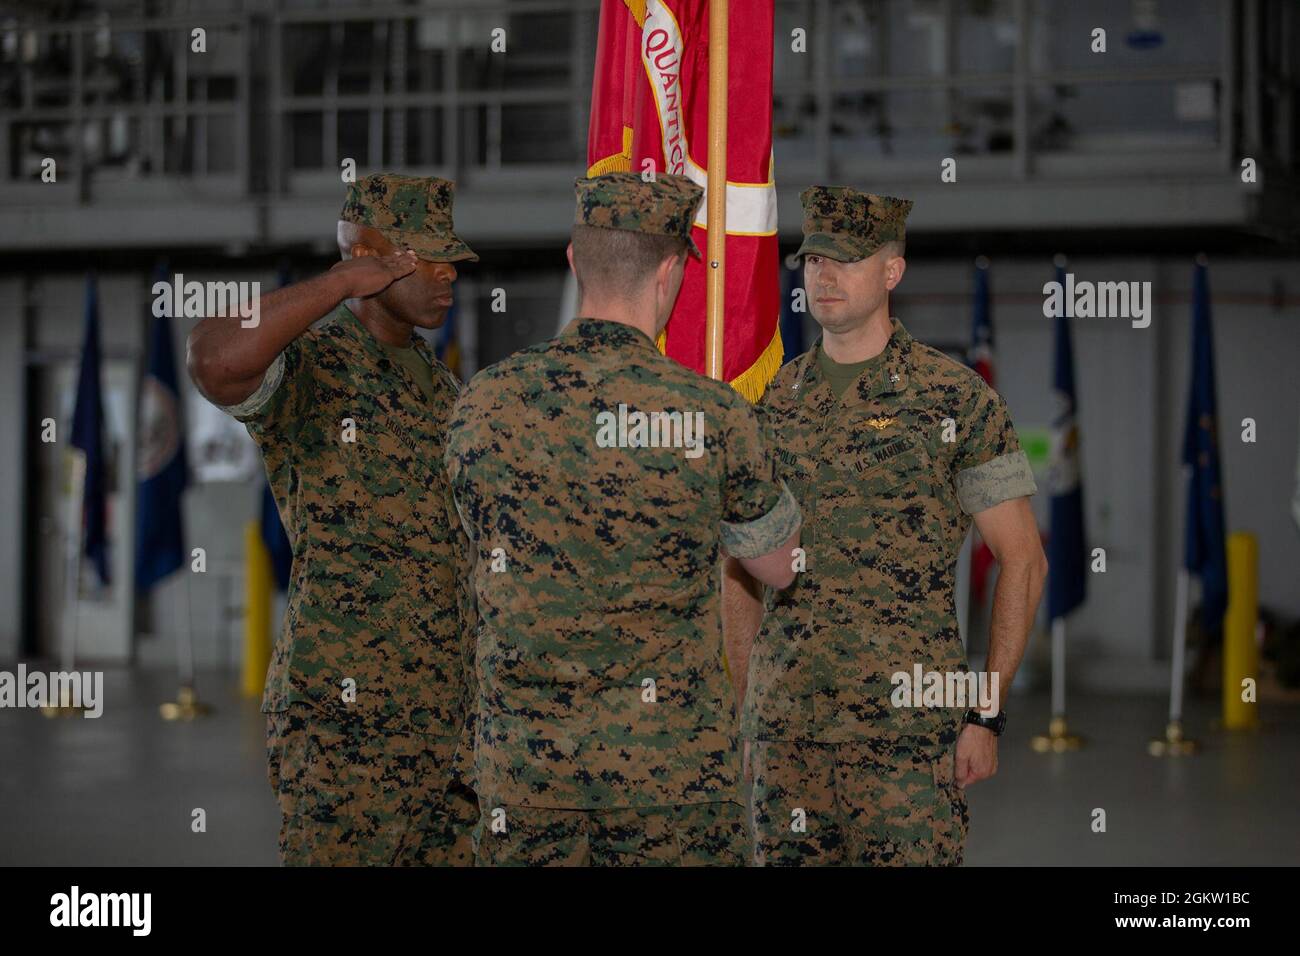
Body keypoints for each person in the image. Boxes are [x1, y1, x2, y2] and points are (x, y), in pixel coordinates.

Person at [444, 171, 802, 866]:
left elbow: (473, 535)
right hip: (668, 777)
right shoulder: (711, 414)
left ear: (575, 261)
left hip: (526, 772)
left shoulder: (484, 402)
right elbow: (781, 565)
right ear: (670, 272)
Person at [738, 185, 1047, 866]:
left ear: (892, 270)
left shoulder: (956, 400)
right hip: (789, 737)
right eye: (813, 260)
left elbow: (1024, 559)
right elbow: (740, 567)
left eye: (844, 260)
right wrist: (743, 712)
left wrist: (986, 715)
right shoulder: (770, 406)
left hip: (908, 742)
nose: (823, 276)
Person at [187, 173, 480, 865]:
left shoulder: (443, 385)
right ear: (366, 256)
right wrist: (339, 284)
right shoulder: (314, 365)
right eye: (426, 258)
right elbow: (213, 359)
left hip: (450, 722)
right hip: (350, 717)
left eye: (453, 262)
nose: (447, 276)